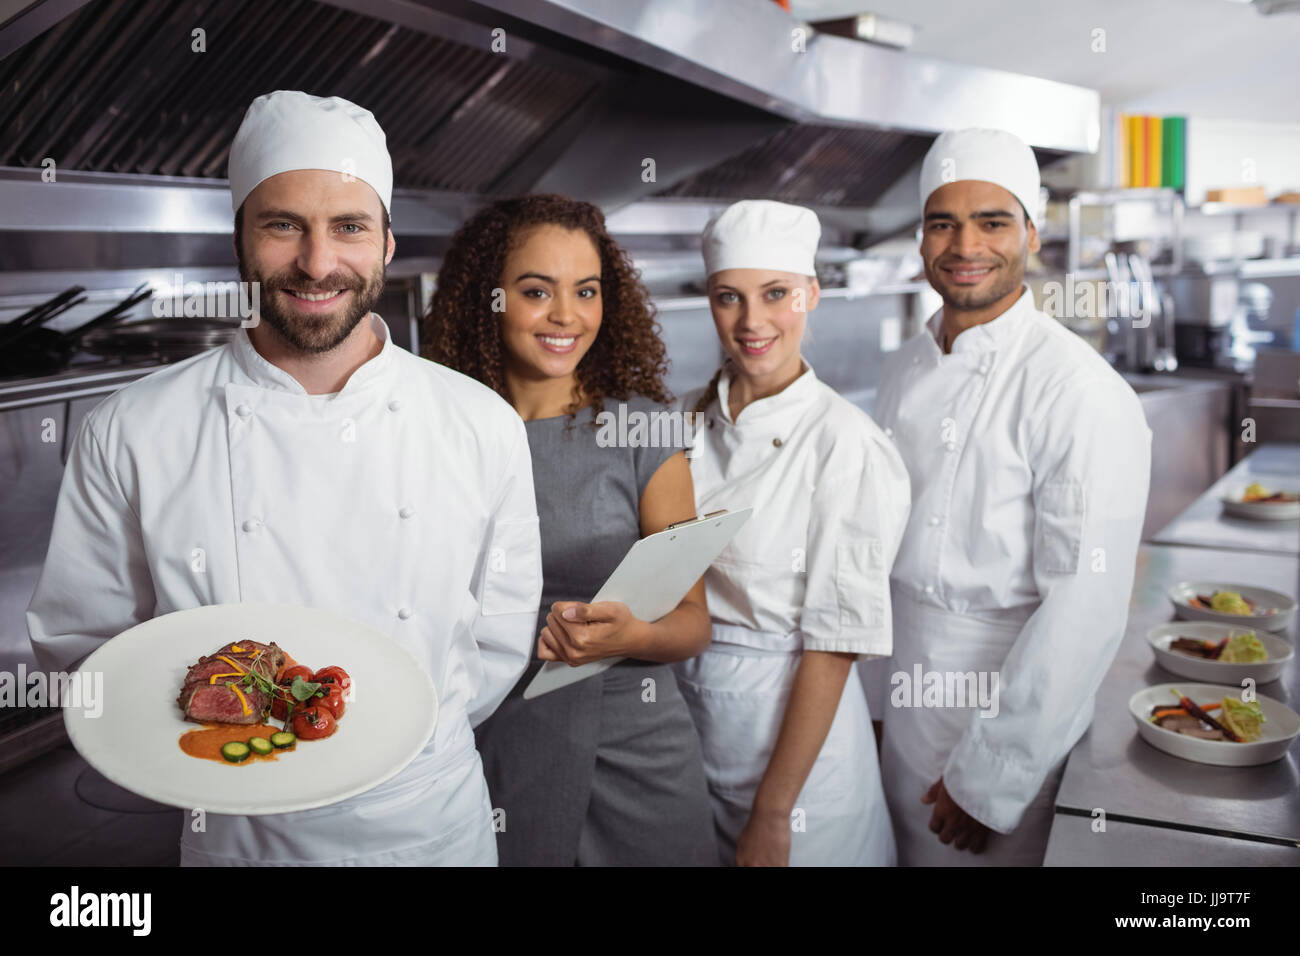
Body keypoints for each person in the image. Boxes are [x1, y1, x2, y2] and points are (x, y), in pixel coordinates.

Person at [26, 90, 543, 866]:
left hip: (432, 825)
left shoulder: (480, 424)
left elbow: (498, 643)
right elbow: (86, 651)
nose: (317, 262)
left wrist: (399, 739)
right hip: (236, 833)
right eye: (282, 225)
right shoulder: (133, 428)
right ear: (239, 237)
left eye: (348, 227)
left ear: (388, 242)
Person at [873, 128, 1152, 866]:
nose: (966, 245)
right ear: (922, 237)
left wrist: (991, 779)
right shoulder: (905, 367)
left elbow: (1085, 607)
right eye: (943, 222)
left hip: (1003, 717)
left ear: (1031, 231)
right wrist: (869, 706)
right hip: (899, 697)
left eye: (993, 221)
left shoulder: (1080, 392)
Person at [423, 194, 717, 866]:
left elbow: (694, 621)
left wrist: (633, 635)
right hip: (499, 736)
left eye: (586, 291)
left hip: (638, 742)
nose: (567, 316)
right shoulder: (444, 432)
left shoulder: (645, 429)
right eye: (536, 291)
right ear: (486, 301)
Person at [675, 199, 910, 866]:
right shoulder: (682, 420)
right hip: (694, 732)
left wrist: (775, 814)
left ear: (810, 294)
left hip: (803, 772)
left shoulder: (846, 446)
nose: (752, 321)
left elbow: (834, 643)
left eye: (775, 294)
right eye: (730, 297)